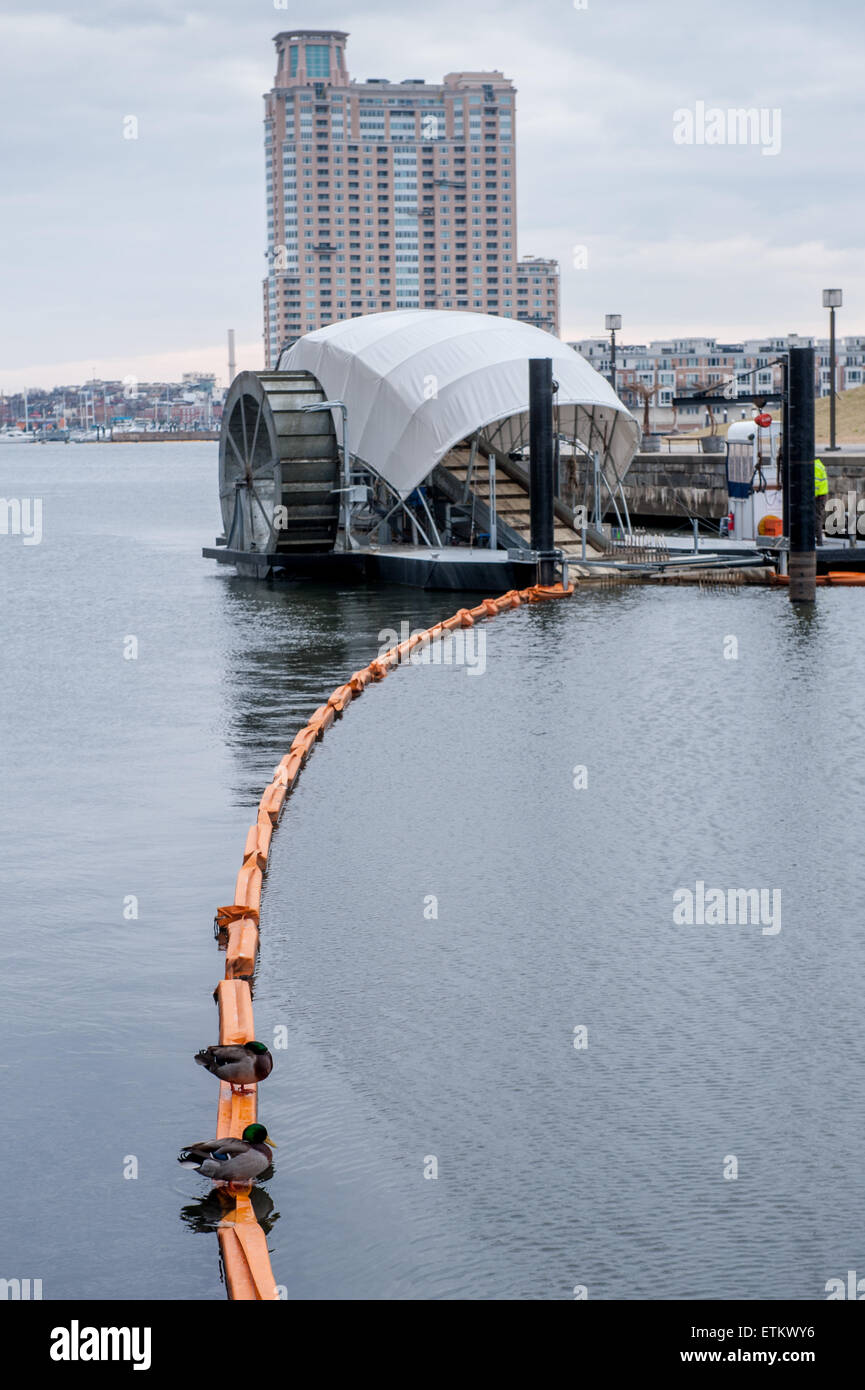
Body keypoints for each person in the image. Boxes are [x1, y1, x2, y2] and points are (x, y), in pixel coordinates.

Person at [814, 457, 828, 542]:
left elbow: (816, 483)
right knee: (817, 516)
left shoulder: (815, 467)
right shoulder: (819, 465)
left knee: (816, 517)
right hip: (822, 495)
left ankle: (819, 539)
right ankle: (818, 538)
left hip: (818, 496)